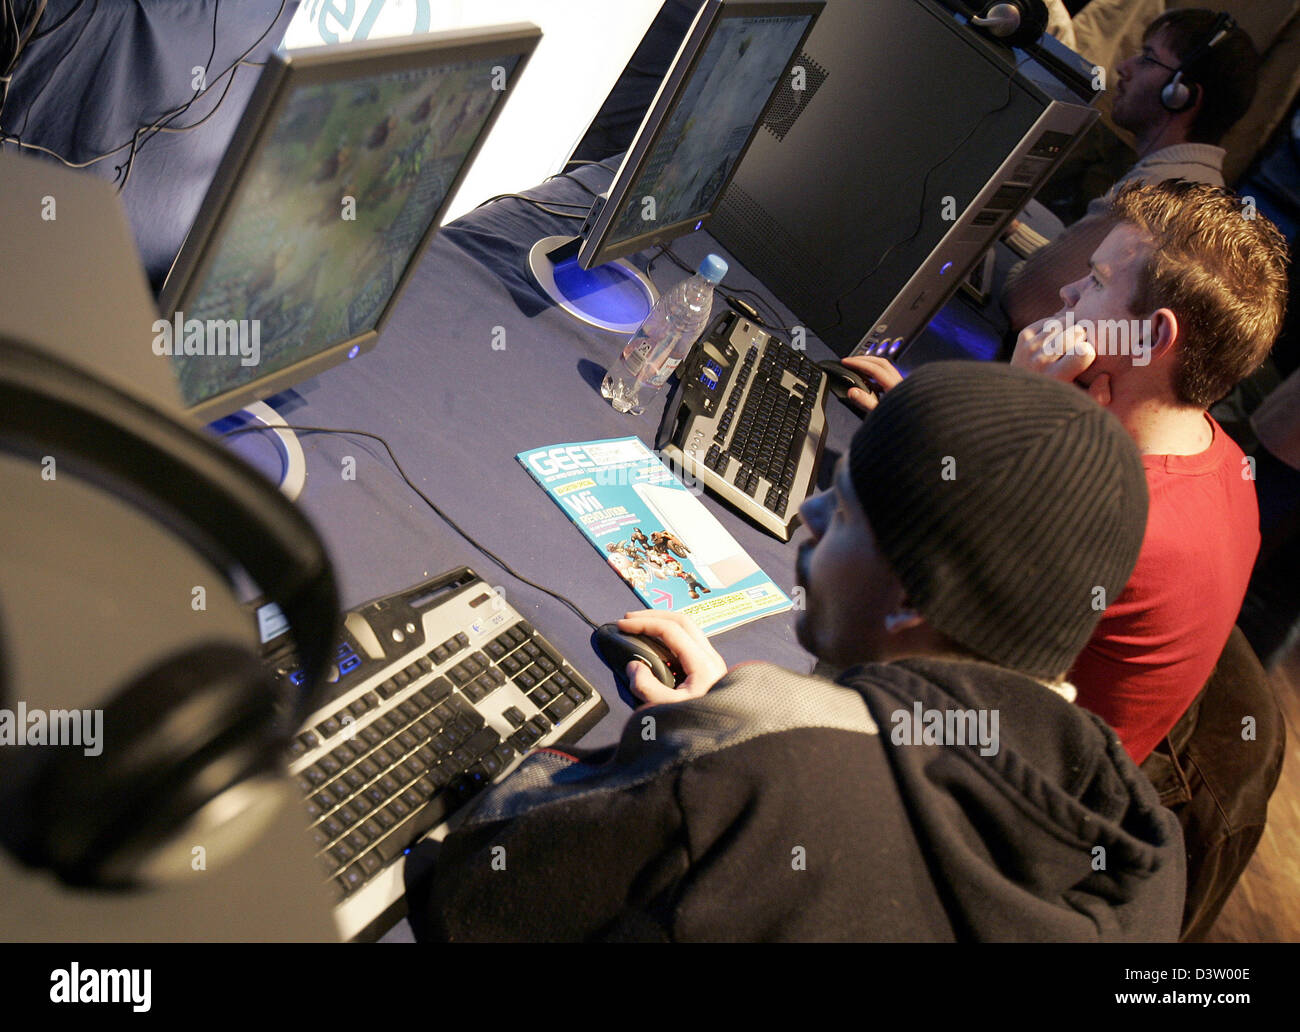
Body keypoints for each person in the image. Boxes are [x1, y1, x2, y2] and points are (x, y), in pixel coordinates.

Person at [405, 362, 1185, 942]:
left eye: (843, 512)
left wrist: (727, 752)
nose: (808, 511)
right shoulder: (1143, 853)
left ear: (914, 596)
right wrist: (760, 738)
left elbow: (464, 892)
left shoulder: (761, 766)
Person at [846, 179, 1290, 766]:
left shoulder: (1112, 526)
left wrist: (1007, 406)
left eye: (1097, 283)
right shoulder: (1222, 458)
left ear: (1153, 336)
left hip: (961, 783)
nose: (1067, 289)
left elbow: (892, 600)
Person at [1001, 9, 1260, 332]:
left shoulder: (1153, 193)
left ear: (1180, 94)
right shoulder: (1203, 182)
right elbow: (1082, 273)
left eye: (1148, 59)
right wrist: (1014, 232)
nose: (1125, 67)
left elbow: (1027, 303)